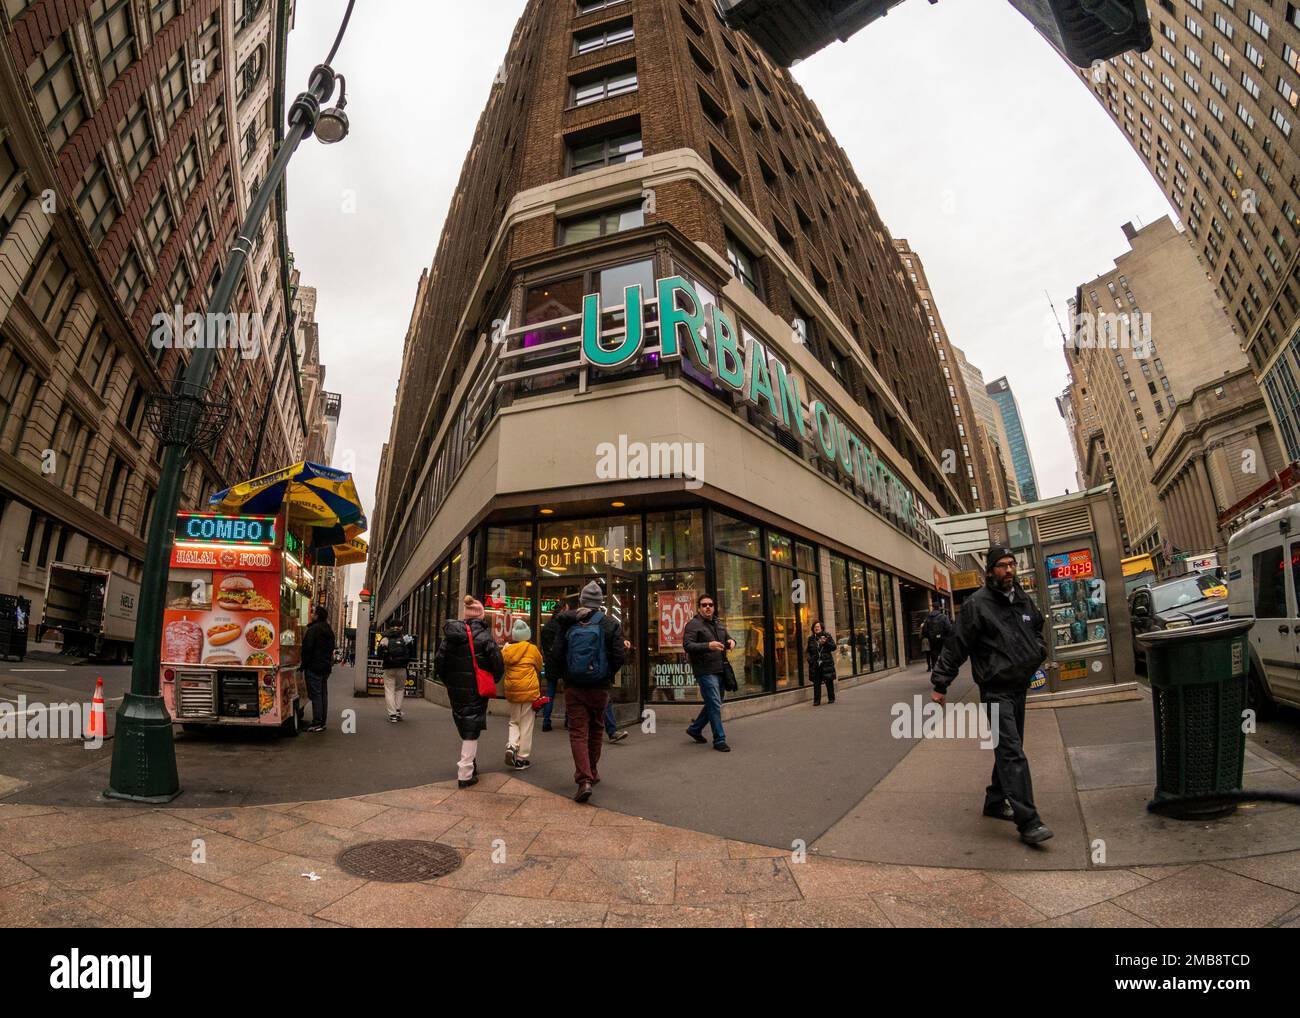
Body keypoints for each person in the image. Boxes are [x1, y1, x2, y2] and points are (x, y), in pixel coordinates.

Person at [931, 546, 1054, 846]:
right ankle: (1029, 821)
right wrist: (940, 683)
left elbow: (1037, 626)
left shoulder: (1022, 599)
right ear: (989, 571)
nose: (1009, 570)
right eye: (1002, 565)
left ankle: (995, 801)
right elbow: (956, 645)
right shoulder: (977, 605)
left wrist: (1038, 650)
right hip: (995, 688)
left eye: (1012, 564)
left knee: (1011, 747)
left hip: (1019, 685)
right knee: (1012, 750)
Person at [553, 580, 626, 803]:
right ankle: (592, 772)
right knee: (596, 729)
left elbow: (556, 652)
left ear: (582, 601)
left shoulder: (567, 622)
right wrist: (606, 675)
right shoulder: (609, 624)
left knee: (578, 733)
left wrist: (563, 676)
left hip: (574, 686)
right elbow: (619, 656)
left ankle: (583, 779)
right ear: (600, 603)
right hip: (599, 687)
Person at [434, 595, 504, 788]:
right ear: (480, 615)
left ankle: (471, 763)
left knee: (464, 721)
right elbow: (497, 664)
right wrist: (493, 679)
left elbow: (439, 663)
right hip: (477, 687)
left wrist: (450, 681)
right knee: (471, 729)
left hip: (455, 688)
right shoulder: (484, 636)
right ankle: (465, 772)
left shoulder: (450, 636)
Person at [682, 594, 736, 751]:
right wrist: (708, 645)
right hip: (705, 670)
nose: (707, 607)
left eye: (710, 605)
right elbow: (687, 645)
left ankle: (695, 729)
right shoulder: (693, 624)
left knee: (715, 703)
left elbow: (727, 638)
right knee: (714, 703)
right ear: (699, 608)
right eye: (704, 605)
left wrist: (732, 642)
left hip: (720, 669)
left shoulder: (718, 623)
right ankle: (719, 739)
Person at [501, 618, 543, 771]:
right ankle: (521, 758)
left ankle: (512, 745)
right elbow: (539, 665)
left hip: (512, 691)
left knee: (514, 721)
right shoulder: (532, 649)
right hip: (528, 691)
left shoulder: (506, 650)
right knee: (526, 724)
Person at [539, 596, 573, 733]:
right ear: (564, 609)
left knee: (550, 693)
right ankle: (568, 720)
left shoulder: (546, 627)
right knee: (568, 692)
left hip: (551, 662)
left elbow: (544, 647)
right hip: (564, 662)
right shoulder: (565, 626)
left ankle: (546, 721)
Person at [300, 605, 336, 732]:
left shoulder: (313, 629)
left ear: (317, 615)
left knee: (315, 695)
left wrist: (303, 665)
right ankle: (322, 722)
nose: (312, 614)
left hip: (314, 666)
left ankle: (317, 722)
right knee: (322, 695)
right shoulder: (329, 630)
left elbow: (307, 649)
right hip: (325, 667)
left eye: (313, 613)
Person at [377, 621, 415, 723]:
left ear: (390, 627)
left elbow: (379, 654)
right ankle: (398, 711)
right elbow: (412, 653)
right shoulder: (406, 638)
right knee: (400, 689)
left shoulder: (385, 638)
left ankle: (392, 714)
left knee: (389, 690)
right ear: (401, 627)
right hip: (402, 667)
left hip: (389, 667)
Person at [805, 619, 836, 706]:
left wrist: (825, 643)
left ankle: (831, 698)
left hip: (826, 662)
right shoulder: (811, 639)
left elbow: (834, 647)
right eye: (815, 627)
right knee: (816, 683)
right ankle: (816, 701)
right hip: (815, 664)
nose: (816, 628)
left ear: (821, 628)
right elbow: (807, 651)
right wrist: (810, 660)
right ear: (813, 628)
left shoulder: (827, 636)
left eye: (818, 627)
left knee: (829, 681)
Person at [923, 605, 951, 672]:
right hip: (942, 639)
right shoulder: (944, 617)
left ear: (933, 608)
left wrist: (929, 636)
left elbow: (925, 630)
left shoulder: (928, 617)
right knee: (943, 653)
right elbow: (948, 628)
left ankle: (935, 668)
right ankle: (944, 668)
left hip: (932, 639)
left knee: (934, 654)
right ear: (939, 609)